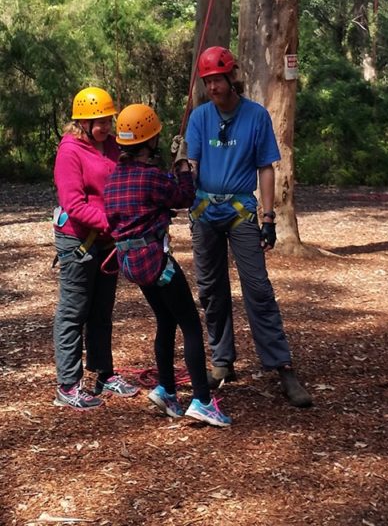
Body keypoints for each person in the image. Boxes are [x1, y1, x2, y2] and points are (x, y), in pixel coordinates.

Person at [184, 46, 312, 408]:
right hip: (205, 210)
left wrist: (269, 218)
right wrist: (180, 178)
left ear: (232, 78)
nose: (213, 88)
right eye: (208, 82)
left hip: (241, 211)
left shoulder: (255, 117)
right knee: (211, 289)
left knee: (257, 287)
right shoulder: (199, 118)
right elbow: (192, 163)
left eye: (218, 80)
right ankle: (222, 362)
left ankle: (281, 364)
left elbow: (266, 168)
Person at [104, 103, 231, 427]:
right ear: (149, 142)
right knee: (189, 324)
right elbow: (184, 195)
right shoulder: (152, 177)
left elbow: (136, 210)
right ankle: (202, 400)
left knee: (165, 319)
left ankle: (167, 390)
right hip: (155, 263)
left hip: (131, 263)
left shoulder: (114, 179)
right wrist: (183, 164)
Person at [52, 87, 139, 410]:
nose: (104, 126)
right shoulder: (70, 152)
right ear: (82, 123)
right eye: (97, 121)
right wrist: (113, 224)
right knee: (74, 312)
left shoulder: (114, 147)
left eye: (107, 119)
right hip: (80, 241)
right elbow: (73, 204)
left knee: (102, 312)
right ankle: (68, 384)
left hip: (107, 240)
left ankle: (104, 373)